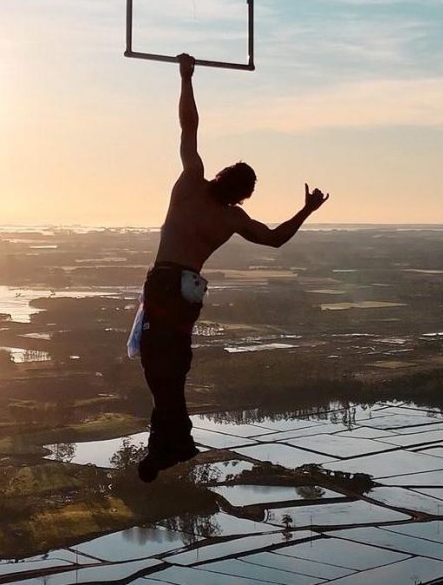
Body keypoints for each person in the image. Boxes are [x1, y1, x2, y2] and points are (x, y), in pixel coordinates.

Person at [129, 54, 329, 483]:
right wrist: (306, 210)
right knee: (171, 366)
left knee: (158, 365)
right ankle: (168, 444)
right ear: (242, 195)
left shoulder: (192, 182)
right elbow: (275, 238)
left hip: (165, 283)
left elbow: (188, 127)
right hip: (188, 292)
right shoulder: (232, 219)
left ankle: (173, 442)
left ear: (221, 175)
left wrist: (186, 78)